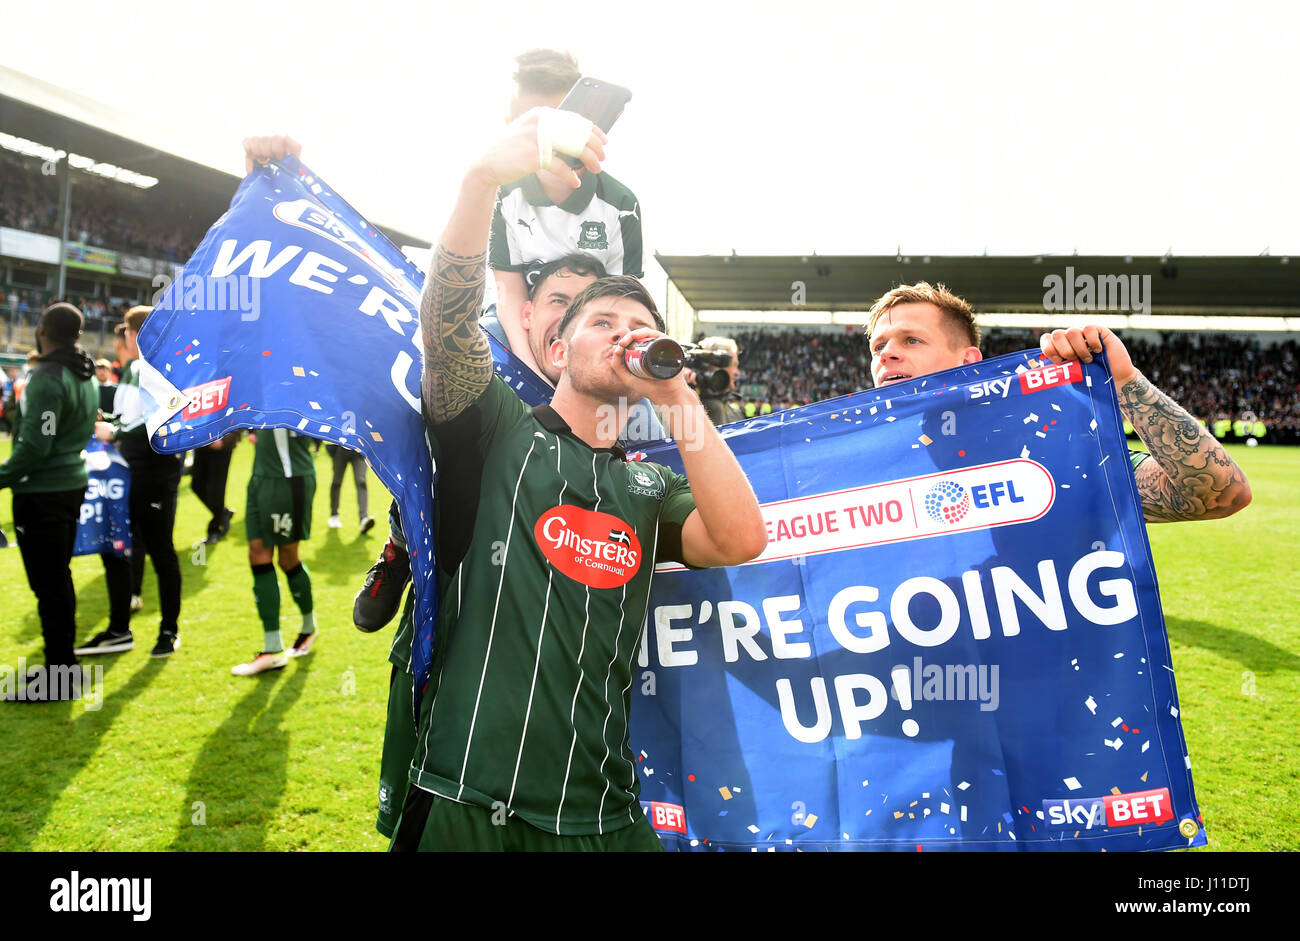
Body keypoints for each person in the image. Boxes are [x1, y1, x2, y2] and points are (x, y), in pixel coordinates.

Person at [382, 112, 766, 851]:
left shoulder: (649, 487)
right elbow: (448, 326)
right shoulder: (496, 428)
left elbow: (739, 537)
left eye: (638, 323)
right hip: (467, 805)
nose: (624, 332)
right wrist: (479, 182)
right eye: (602, 321)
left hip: (607, 818)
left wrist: (677, 397)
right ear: (554, 346)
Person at [865, 282, 1252, 522]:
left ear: (968, 362)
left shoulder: (1038, 444)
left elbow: (1220, 496)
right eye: (878, 346)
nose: (887, 354)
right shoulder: (846, 459)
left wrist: (1123, 382)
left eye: (911, 340)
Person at [489, 49, 644, 377]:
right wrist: (532, 376)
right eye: (525, 125)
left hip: (592, 339)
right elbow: (510, 296)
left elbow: (622, 304)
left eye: (552, 124)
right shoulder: (502, 193)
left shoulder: (620, 204)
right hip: (521, 335)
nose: (539, 139)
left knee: (643, 414)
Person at [0, 303, 98, 701]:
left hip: (44, 491)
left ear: (42, 330)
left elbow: (36, 446)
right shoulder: (84, 372)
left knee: (50, 584)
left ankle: (61, 675)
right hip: (69, 484)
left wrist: (1, 476)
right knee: (57, 579)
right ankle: (62, 666)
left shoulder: (48, 376)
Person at [91, 306, 184, 657]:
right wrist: (110, 423)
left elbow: (154, 422)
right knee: (125, 546)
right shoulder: (131, 370)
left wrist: (114, 431)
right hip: (129, 470)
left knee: (161, 550)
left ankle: (169, 630)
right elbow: (129, 418)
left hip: (155, 472)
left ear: (132, 334)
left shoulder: (161, 366)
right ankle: (120, 628)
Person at [232, 427, 319, 675]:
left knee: (287, 558)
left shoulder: (297, 387)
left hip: (288, 479)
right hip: (260, 476)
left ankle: (308, 627)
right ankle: (272, 648)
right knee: (257, 552)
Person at [192, 431, 239, 545]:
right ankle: (223, 513)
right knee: (196, 486)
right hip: (201, 444)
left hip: (221, 448)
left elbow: (236, 418)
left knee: (216, 491)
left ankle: (214, 531)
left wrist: (224, 440)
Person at [325, 441, 374, 533]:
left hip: (359, 450)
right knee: (336, 482)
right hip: (340, 448)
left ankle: (364, 518)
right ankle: (334, 515)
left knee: (361, 481)